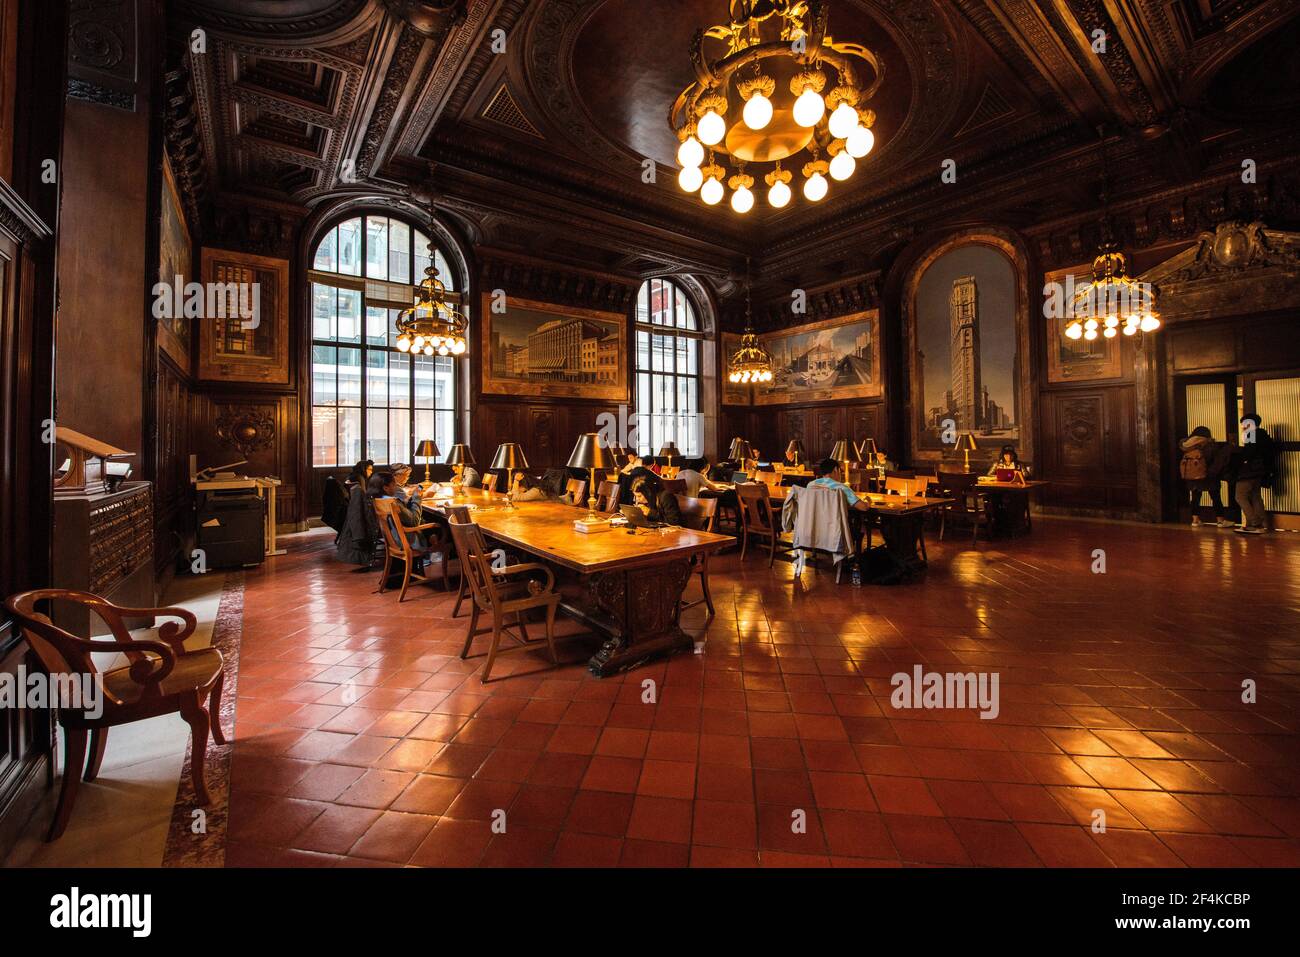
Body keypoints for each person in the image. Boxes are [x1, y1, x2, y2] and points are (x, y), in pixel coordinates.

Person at [1231, 414, 1277, 535]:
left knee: (1240, 496)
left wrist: (1238, 455)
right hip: (1260, 471)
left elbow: (1248, 453)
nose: (1243, 426)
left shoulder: (1251, 435)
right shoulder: (1264, 435)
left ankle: (1254, 523)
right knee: (1255, 496)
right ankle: (1261, 524)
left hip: (1249, 471)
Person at [1179, 427, 1232, 528]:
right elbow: (1217, 461)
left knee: (1195, 498)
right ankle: (1220, 520)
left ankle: (1195, 520)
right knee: (1216, 497)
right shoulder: (1210, 445)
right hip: (1209, 476)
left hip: (1193, 476)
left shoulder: (1187, 445)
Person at [369, 471, 428, 550]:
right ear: (385, 488)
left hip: (392, 539)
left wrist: (411, 500)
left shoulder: (377, 500)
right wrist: (417, 498)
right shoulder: (393, 502)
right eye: (394, 484)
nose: (396, 487)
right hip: (407, 542)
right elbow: (414, 522)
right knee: (439, 525)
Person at [336, 475, 380, 566]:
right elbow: (357, 517)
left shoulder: (358, 492)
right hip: (371, 530)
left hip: (366, 529)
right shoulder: (359, 491)